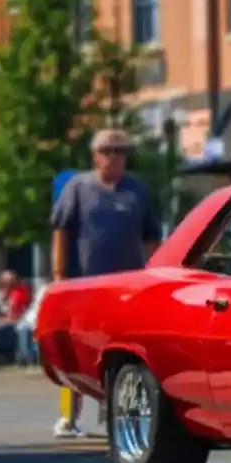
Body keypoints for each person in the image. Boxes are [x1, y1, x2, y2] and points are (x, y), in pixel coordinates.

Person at [49, 128, 162, 439]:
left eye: (121, 151)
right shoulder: (78, 187)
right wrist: (59, 275)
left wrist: (158, 274)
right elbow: (60, 229)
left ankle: (113, 415)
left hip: (127, 286)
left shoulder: (136, 191)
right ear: (95, 155)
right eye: (108, 151)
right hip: (85, 284)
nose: (115, 157)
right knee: (76, 349)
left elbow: (151, 236)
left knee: (121, 350)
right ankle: (69, 417)